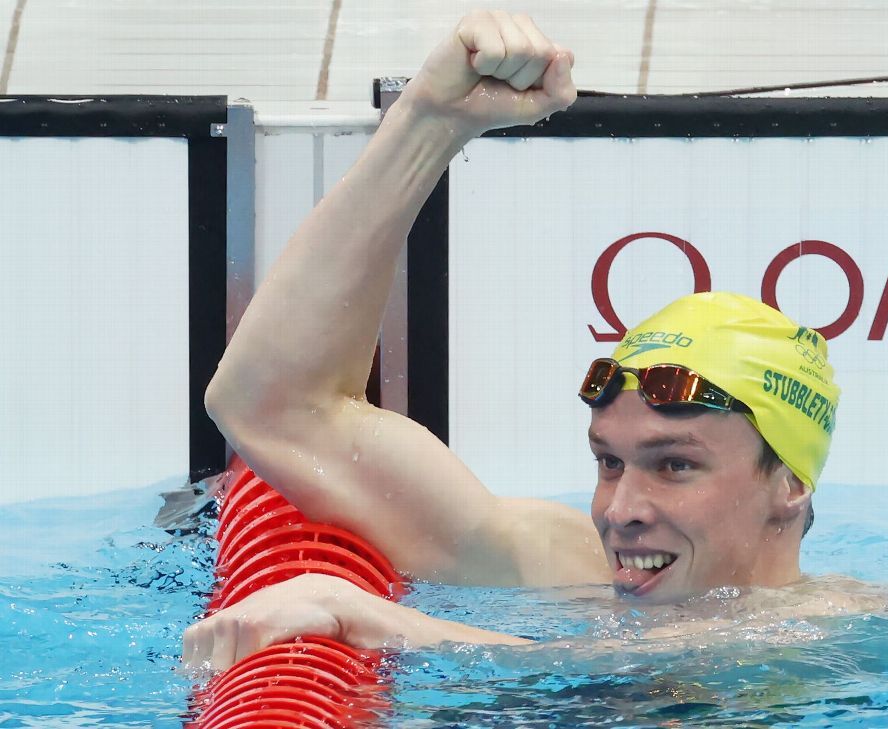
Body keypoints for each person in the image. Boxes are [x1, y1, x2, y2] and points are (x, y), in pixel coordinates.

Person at [183, 11, 853, 673]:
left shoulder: (846, 630)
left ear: (790, 482)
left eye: (675, 465)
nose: (619, 512)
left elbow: (683, 661)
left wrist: (375, 617)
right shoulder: (567, 567)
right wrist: (428, 121)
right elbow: (272, 407)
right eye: (609, 462)